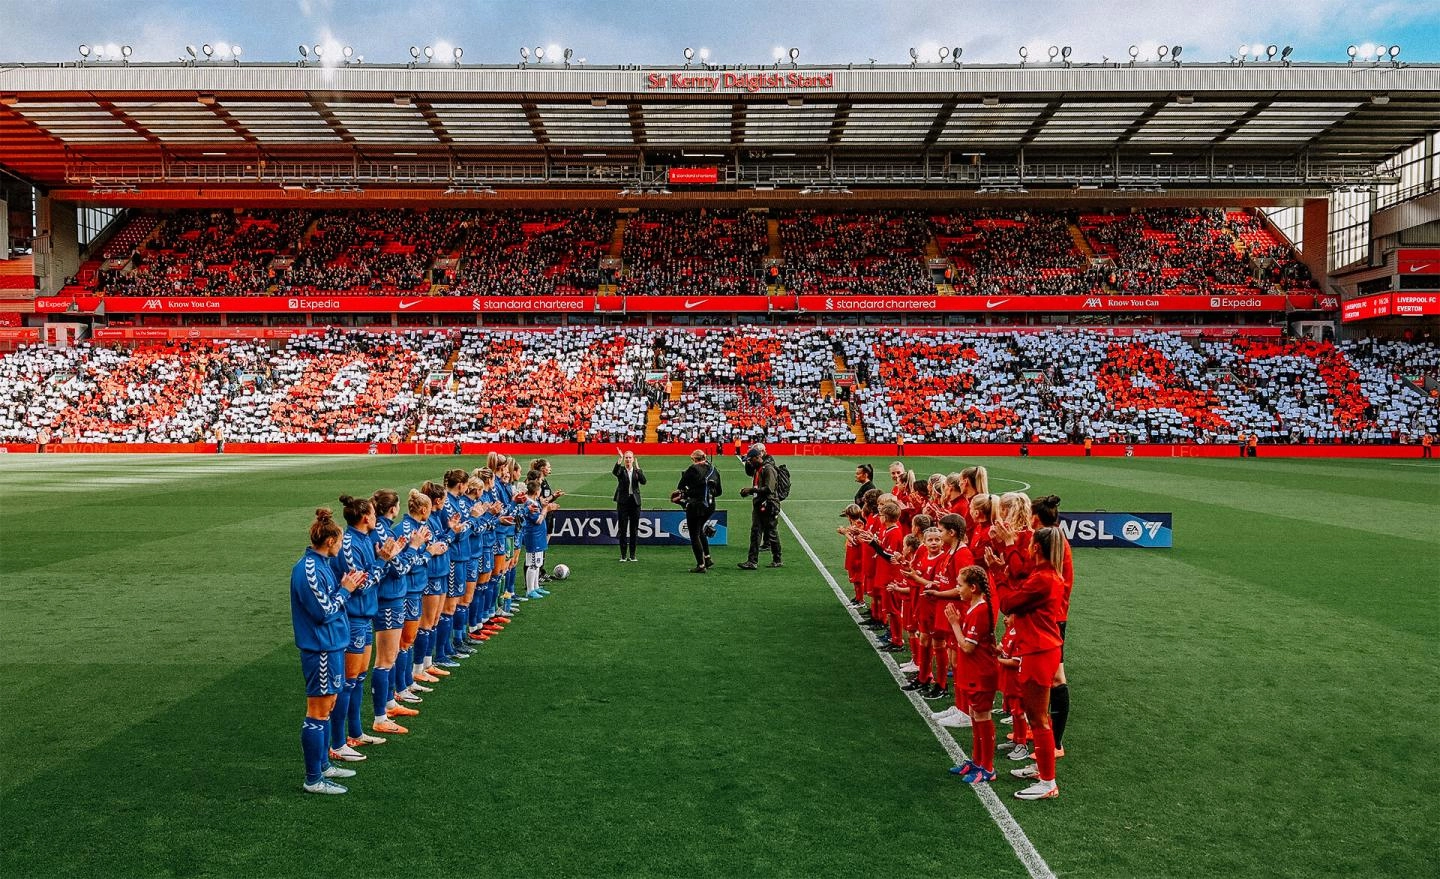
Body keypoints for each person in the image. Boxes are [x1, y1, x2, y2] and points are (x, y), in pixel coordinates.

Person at [291, 508, 366, 794]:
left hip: (332, 646)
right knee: (318, 712)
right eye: (341, 542)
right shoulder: (307, 570)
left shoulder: (322, 564)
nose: (342, 547)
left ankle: (324, 766)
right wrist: (346, 590)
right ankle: (313, 779)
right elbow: (323, 611)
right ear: (330, 541)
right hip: (320, 649)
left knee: (329, 706)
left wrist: (345, 587)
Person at [997, 527, 1068, 801]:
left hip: (1038, 651)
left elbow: (1007, 603)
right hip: (1040, 648)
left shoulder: (1043, 579)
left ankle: (1048, 782)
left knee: (1037, 718)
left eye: (1029, 544)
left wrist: (998, 575)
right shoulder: (1044, 575)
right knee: (1037, 716)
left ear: (1036, 548)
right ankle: (1042, 769)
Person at [944, 565, 1000, 784]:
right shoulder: (973, 608)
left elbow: (968, 647)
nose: (957, 589)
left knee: (982, 717)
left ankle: (988, 767)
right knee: (975, 716)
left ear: (973, 587)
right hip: (973, 672)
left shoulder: (979, 611)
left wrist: (954, 624)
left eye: (960, 585)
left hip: (981, 673)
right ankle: (977, 761)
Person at [676, 449, 722, 573]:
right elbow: (719, 492)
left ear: (694, 459)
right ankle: (707, 558)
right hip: (710, 506)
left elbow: (680, 486)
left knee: (694, 534)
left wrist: (688, 493)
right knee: (699, 529)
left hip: (696, 507)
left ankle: (701, 565)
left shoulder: (692, 469)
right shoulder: (714, 470)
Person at [737, 443, 781, 569]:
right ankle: (752, 561)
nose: (750, 463)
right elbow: (758, 486)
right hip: (759, 503)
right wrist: (749, 492)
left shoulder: (768, 469)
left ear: (757, 457)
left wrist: (751, 490)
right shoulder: (758, 469)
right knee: (755, 532)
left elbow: (769, 489)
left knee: (771, 532)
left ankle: (777, 559)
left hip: (769, 504)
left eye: (751, 460)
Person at [612, 449, 646, 563]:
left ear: (633, 459)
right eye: (626, 457)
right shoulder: (621, 471)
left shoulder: (636, 471)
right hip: (623, 502)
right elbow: (615, 472)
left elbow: (644, 481)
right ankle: (623, 555)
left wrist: (639, 469)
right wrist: (619, 459)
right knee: (622, 529)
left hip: (635, 502)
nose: (628, 459)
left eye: (629, 457)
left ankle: (632, 555)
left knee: (634, 529)